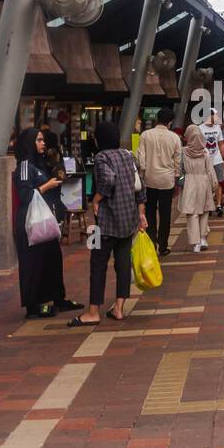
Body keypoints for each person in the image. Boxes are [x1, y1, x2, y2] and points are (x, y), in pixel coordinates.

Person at [70, 122, 146, 325]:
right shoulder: (128, 155)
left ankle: (93, 311)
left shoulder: (102, 157)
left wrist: (95, 199)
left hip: (102, 222)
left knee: (97, 263)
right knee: (122, 264)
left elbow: (108, 179)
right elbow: (140, 185)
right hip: (128, 221)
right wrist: (141, 212)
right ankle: (119, 308)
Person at [13, 127, 81, 319]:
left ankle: (57, 298)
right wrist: (47, 186)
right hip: (31, 221)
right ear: (29, 143)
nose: (43, 143)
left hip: (45, 220)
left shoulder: (39, 163)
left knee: (52, 259)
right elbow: (25, 194)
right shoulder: (25, 165)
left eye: (43, 140)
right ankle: (32, 306)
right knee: (32, 263)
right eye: (39, 140)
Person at [136, 107, 179, 257]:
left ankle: (152, 242)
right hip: (167, 181)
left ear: (157, 119)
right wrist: (176, 179)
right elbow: (177, 162)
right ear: (170, 122)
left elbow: (140, 159)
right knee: (165, 214)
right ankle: (163, 246)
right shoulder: (174, 137)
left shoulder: (145, 135)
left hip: (149, 180)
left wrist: (142, 176)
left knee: (150, 212)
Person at [179, 124, 217, 251]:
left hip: (189, 182)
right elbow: (210, 170)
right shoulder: (205, 151)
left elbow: (179, 169)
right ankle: (203, 238)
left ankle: (195, 243)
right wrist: (214, 186)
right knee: (204, 211)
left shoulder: (183, 151)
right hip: (204, 182)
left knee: (192, 213)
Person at [200, 108, 224, 216]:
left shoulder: (218, 128)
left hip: (217, 159)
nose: (215, 118)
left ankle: (218, 205)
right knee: (207, 184)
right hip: (205, 160)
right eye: (213, 115)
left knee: (220, 182)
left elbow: (221, 144)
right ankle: (209, 205)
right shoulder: (199, 129)